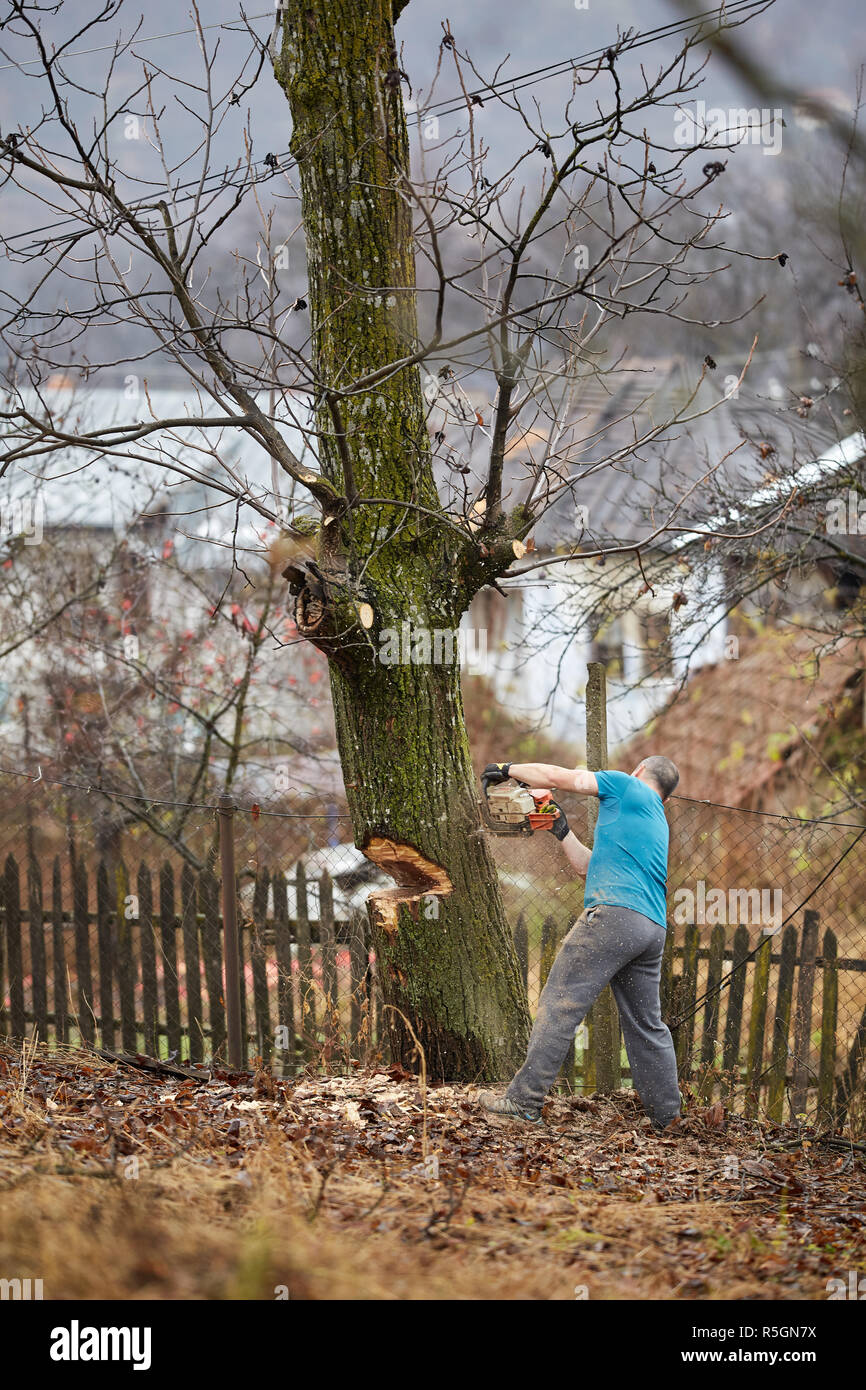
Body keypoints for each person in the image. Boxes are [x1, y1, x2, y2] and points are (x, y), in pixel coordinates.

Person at [478, 755, 682, 1132]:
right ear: (666, 798)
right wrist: (562, 829)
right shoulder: (654, 818)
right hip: (650, 929)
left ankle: (524, 1101)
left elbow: (559, 776)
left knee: (559, 1004)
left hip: (613, 918)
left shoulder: (625, 785)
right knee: (646, 1024)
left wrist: (508, 769)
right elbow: (588, 868)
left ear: (638, 772)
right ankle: (667, 1118)